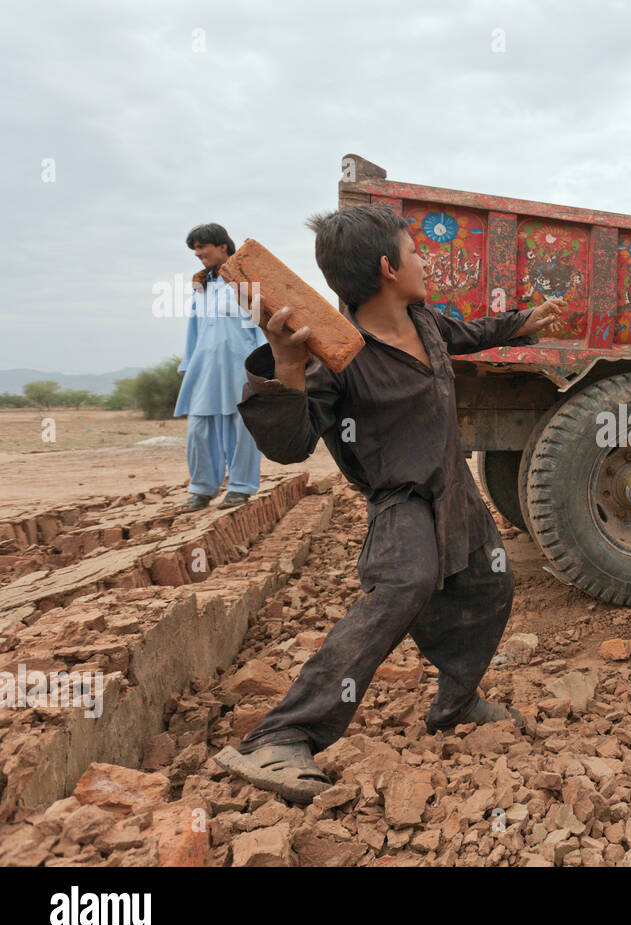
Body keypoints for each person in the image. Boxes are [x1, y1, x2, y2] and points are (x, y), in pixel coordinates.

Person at [213, 204, 562, 801]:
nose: (424, 260)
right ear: (386, 266)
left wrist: (524, 322)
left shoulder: (422, 322)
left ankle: (456, 704)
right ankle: (281, 735)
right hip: (401, 500)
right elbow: (291, 446)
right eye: (415, 249)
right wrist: (290, 367)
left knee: (490, 586)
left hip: (456, 488)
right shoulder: (337, 355)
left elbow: (468, 335)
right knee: (405, 586)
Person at [174, 223, 267, 511]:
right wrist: (188, 365)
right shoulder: (201, 288)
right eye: (195, 249)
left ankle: (240, 488)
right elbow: (193, 330)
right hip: (204, 369)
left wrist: (264, 369)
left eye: (202, 247)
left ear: (223, 247)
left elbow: (260, 327)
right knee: (199, 428)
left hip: (241, 366)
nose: (198, 253)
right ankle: (202, 489)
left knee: (242, 427)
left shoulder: (247, 283)